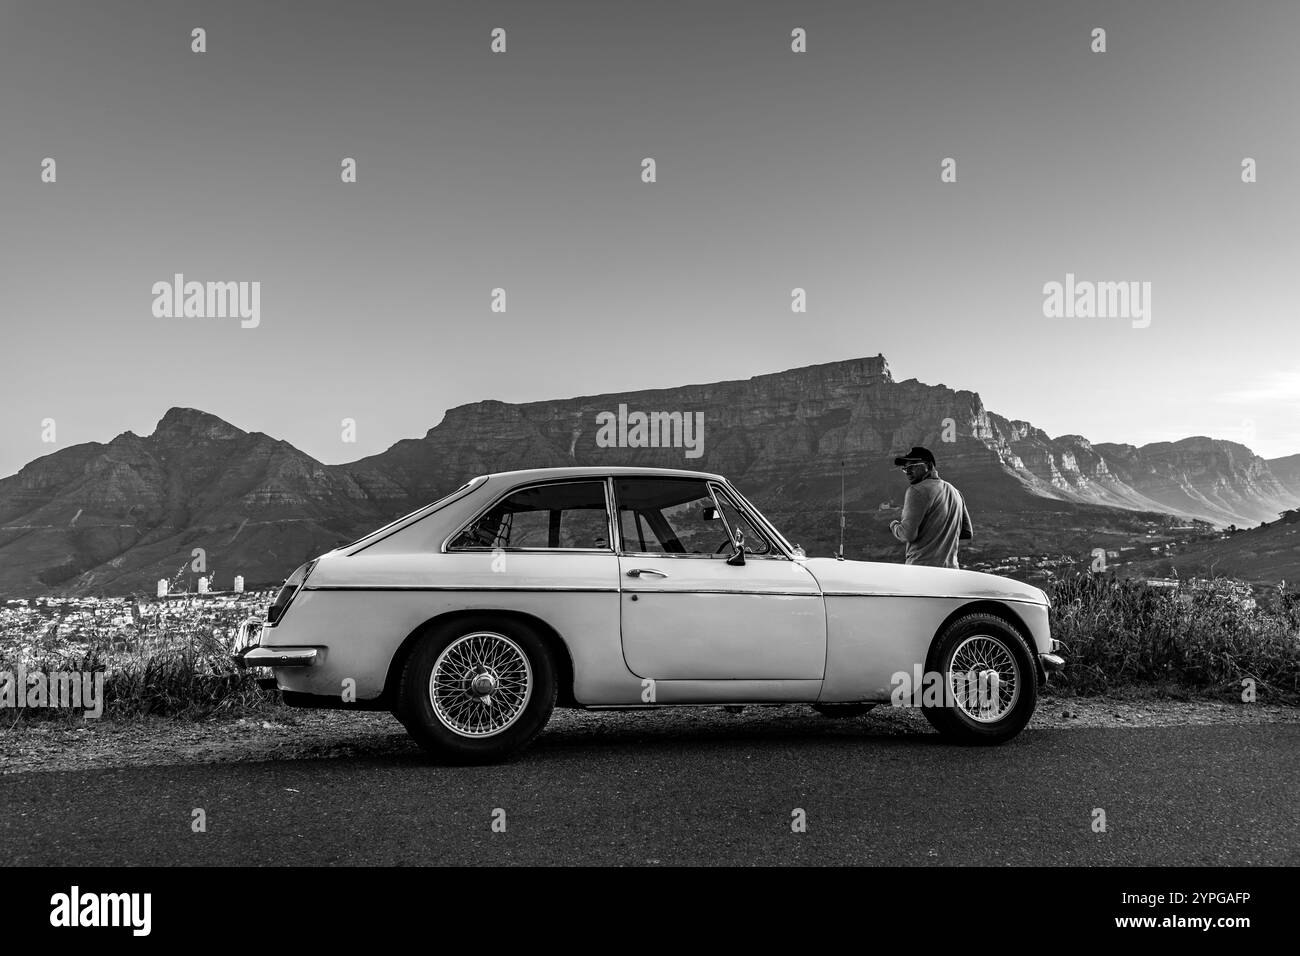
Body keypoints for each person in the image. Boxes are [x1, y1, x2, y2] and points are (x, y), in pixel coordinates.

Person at [888, 446, 972, 568]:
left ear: (928, 465)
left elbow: (907, 534)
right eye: (905, 469)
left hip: (922, 570)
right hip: (951, 571)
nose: (908, 472)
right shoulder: (956, 493)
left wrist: (894, 525)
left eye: (912, 467)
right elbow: (966, 534)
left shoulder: (916, 491)